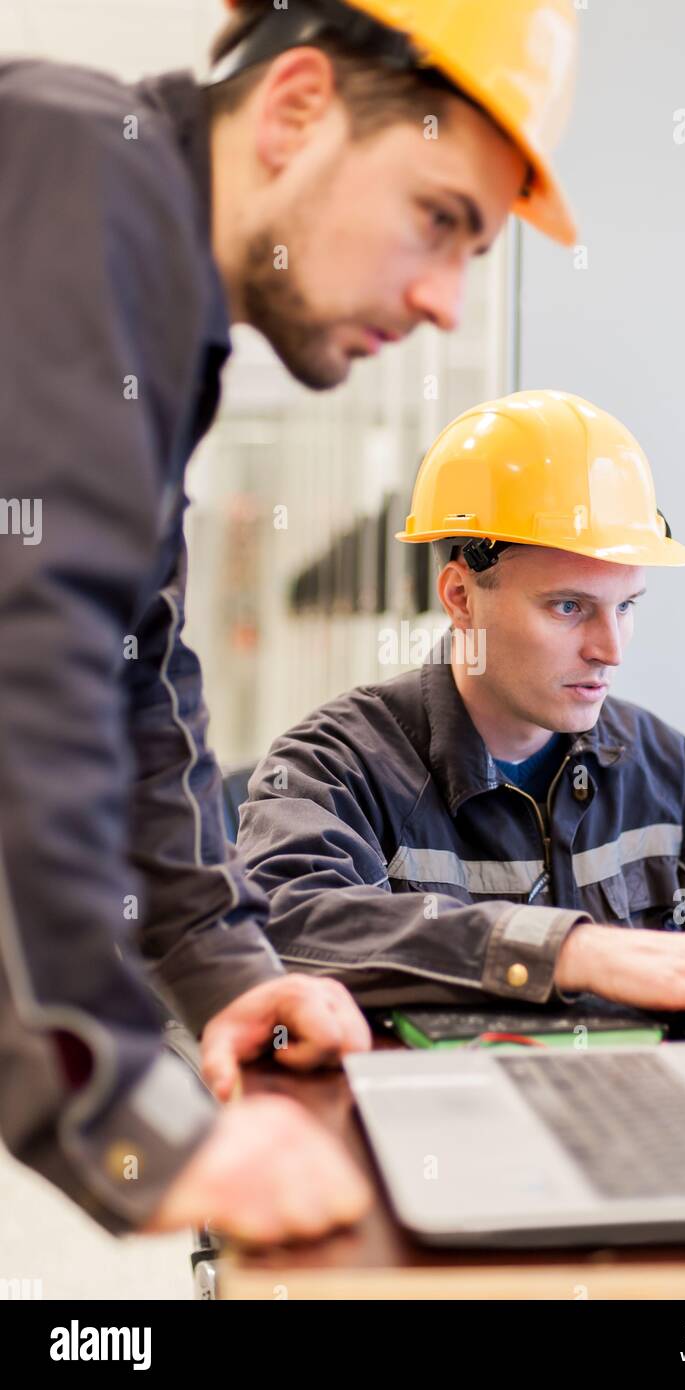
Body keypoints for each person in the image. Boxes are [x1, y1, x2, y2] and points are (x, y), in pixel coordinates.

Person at [0, 1, 579, 1242]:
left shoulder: (154, 301)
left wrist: (228, 968)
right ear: (296, 107)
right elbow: (24, 657)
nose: (442, 301)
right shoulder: (80, 173)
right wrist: (122, 1110)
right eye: (439, 220)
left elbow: (132, 668)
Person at [238, 391, 685, 1018]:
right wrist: (567, 953)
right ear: (461, 596)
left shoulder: (663, 769)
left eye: (627, 606)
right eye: (569, 607)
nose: (610, 650)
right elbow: (281, 925)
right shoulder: (337, 766)